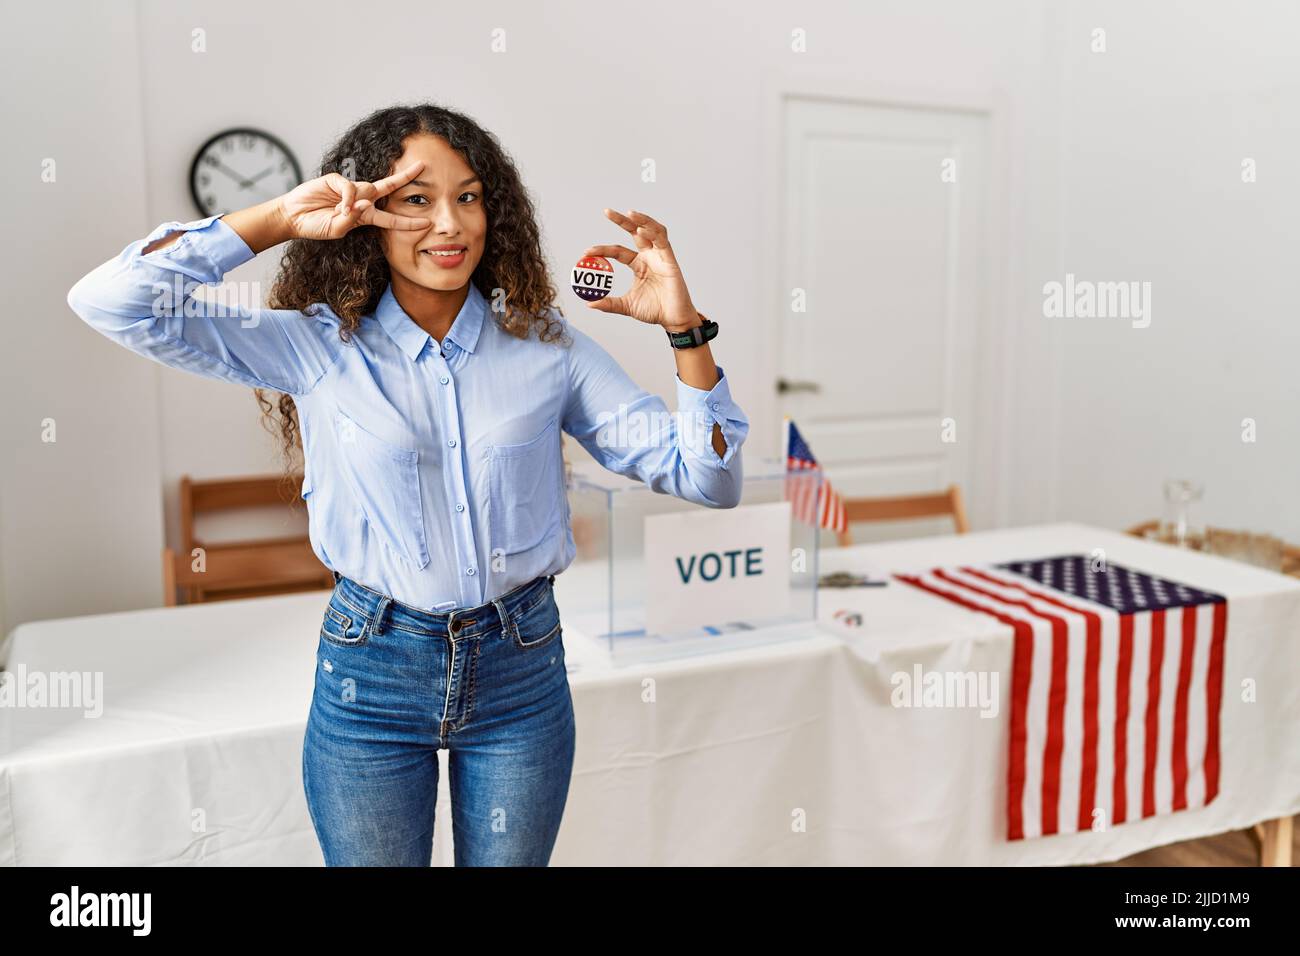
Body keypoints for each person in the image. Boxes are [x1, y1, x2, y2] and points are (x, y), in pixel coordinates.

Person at [66, 103, 749, 866]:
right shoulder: (316, 346)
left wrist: (684, 330)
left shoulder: (548, 348)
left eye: (468, 196)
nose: (449, 224)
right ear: (369, 213)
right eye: (415, 200)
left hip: (521, 675)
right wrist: (279, 217)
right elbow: (109, 302)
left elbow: (709, 478)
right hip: (372, 674)